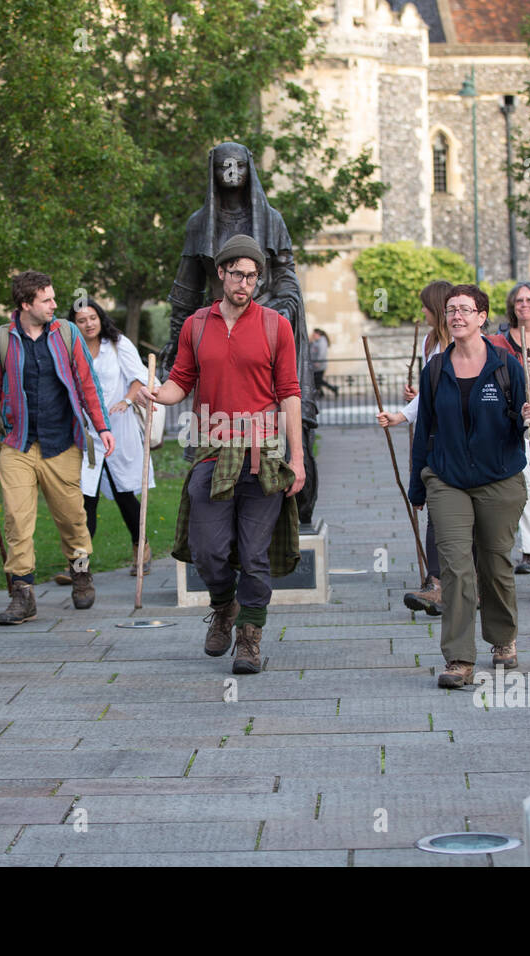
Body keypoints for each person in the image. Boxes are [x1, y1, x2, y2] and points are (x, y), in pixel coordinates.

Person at [140, 234, 306, 675]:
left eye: (252, 276)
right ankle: (223, 606)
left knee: (254, 555)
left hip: (263, 453)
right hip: (212, 449)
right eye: (237, 274)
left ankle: (249, 637)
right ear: (221, 273)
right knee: (209, 550)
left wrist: (299, 459)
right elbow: (181, 381)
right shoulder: (196, 325)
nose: (245, 283)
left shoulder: (276, 326)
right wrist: (156, 395)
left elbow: (290, 393)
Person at [161, 142, 319, 525]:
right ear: (213, 170)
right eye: (223, 165)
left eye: (238, 165)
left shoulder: (272, 220)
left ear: (249, 168)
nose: (231, 172)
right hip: (223, 330)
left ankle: (296, 505)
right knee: (221, 424)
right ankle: (225, 517)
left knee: (291, 417)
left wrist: (278, 311)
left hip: (272, 328)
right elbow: (186, 291)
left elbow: (287, 280)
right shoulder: (199, 224)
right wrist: (176, 336)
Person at [407, 283, 530, 689]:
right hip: (448, 480)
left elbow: (522, 423)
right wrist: (419, 484)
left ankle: (502, 639)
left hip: (499, 480)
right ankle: (460, 659)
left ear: (482, 317)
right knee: (456, 568)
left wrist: (529, 416)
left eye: (466, 309)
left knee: (495, 565)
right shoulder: (435, 370)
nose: (457, 316)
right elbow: (424, 432)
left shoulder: (506, 366)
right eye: (451, 310)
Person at [0, 271, 115, 625]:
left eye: (52, 298)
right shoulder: (0, 340)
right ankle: (23, 595)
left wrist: (102, 426)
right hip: (17, 443)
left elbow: (87, 382)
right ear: (25, 305)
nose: (54, 305)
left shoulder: (66, 334)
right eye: (46, 300)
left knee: (73, 520)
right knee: (17, 520)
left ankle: (80, 573)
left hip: (62, 443)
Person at [49, 298, 155, 585]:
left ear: (100, 317)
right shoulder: (70, 349)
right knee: (86, 499)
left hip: (118, 430)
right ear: (74, 324)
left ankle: (141, 548)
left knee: (124, 493)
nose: (89, 324)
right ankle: (79, 565)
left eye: (92, 317)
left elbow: (139, 377)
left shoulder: (118, 344)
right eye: (81, 320)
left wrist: (126, 400)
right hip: (88, 435)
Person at [376, 280, 452, 615]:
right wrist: (406, 411)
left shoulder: (457, 345)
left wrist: (404, 413)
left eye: (425, 305)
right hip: (432, 436)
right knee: (435, 510)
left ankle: (461, 586)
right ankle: (436, 583)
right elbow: (430, 391)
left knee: (457, 518)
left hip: (456, 440)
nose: (421, 311)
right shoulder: (430, 341)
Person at [494, 281, 530, 574]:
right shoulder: (501, 340)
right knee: (526, 484)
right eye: (518, 301)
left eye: (529, 300)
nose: (524, 305)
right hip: (519, 420)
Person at [309, 329, 339, 397]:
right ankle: (322, 392)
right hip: (316, 365)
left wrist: (318, 361)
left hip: (319, 365)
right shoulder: (317, 341)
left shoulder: (322, 342)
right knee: (317, 380)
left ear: (318, 334)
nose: (313, 336)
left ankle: (332, 389)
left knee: (318, 380)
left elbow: (322, 353)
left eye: (314, 334)